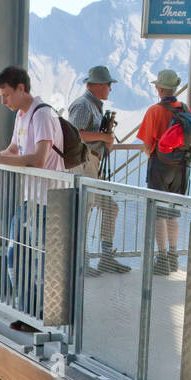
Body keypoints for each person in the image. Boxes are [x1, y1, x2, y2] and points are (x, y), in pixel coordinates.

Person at [0, 66, 65, 318]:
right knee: (19, 255)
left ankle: (40, 314)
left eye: (6, 95)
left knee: (38, 259)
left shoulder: (42, 115)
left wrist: (0, 160)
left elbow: (39, 158)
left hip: (50, 199)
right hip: (33, 198)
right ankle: (29, 312)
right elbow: (13, 150)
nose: (3, 101)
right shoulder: (21, 116)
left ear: (21, 88)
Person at [68, 65, 130, 276]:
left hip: (93, 164)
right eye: (109, 85)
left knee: (109, 207)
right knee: (83, 212)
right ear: (100, 85)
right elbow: (75, 134)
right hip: (84, 165)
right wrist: (104, 137)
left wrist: (104, 140)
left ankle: (105, 257)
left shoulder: (93, 105)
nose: (110, 90)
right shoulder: (83, 105)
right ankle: (80, 261)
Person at [137, 68, 188, 276]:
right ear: (175, 87)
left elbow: (147, 144)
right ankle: (175, 256)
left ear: (159, 89)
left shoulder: (154, 111)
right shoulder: (185, 108)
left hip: (160, 166)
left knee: (159, 214)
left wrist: (153, 157)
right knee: (172, 214)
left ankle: (163, 258)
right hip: (181, 168)